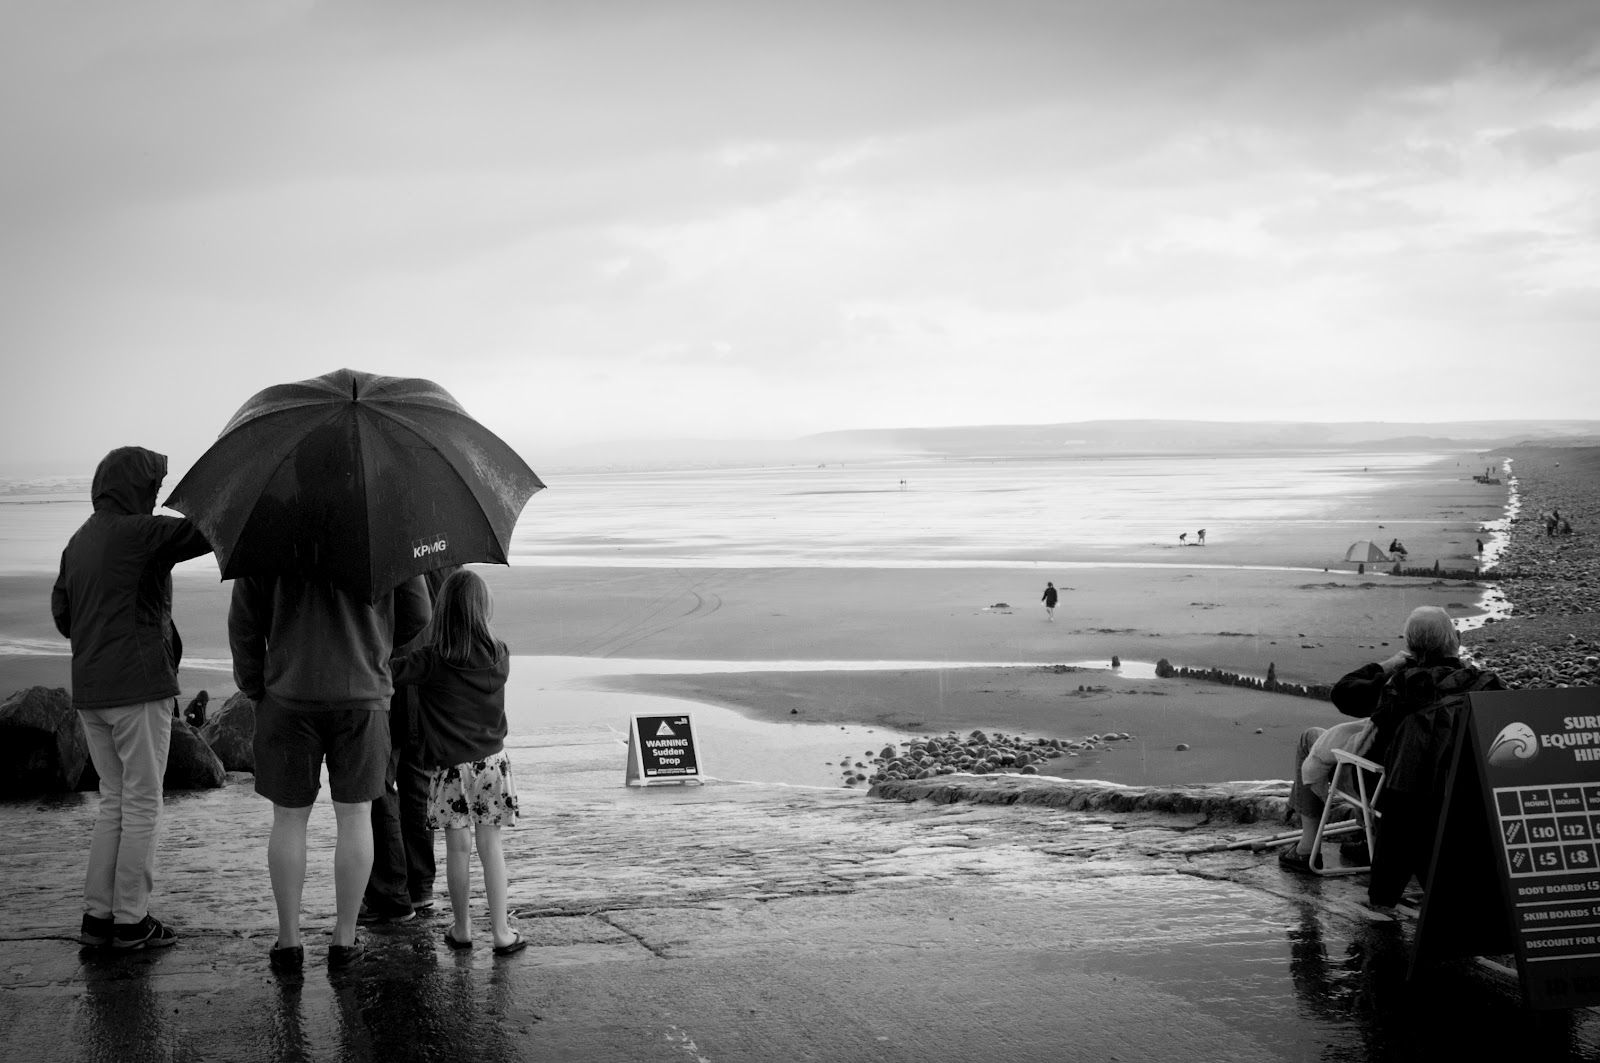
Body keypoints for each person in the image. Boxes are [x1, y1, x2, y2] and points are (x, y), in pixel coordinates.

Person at [51, 447, 212, 950]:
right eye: (153, 488)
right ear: (133, 487)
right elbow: (203, 534)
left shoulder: (78, 542)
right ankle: (131, 921)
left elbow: (63, 618)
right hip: (138, 690)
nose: (156, 497)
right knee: (142, 802)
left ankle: (98, 917)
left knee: (114, 802)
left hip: (91, 693)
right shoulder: (140, 533)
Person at [230, 571, 430, 971]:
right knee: (356, 816)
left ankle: (289, 942)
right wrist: (376, 642)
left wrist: (254, 686)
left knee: (288, 819)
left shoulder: (265, 534)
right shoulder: (382, 532)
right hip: (362, 691)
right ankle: (344, 938)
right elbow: (419, 610)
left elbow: (244, 622)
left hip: (288, 693)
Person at [1280, 607, 1502, 909]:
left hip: (1391, 793)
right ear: (1458, 640)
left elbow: (1342, 693)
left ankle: (1307, 848)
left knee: (1311, 739)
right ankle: (1367, 838)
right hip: (1456, 789)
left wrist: (1388, 664)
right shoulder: (1483, 684)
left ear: (1411, 648)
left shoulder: (1404, 685)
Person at [391, 569, 523, 954]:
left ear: (443, 611)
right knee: (491, 846)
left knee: (458, 849)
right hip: (493, 765)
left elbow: (389, 672)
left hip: (450, 770)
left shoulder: (432, 661)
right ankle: (501, 933)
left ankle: (462, 929)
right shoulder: (500, 655)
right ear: (484, 609)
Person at [361, 565, 459, 925]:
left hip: (391, 670)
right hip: (427, 676)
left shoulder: (388, 552)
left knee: (379, 783)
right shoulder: (443, 552)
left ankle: (390, 892)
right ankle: (420, 886)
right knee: (417, 779)